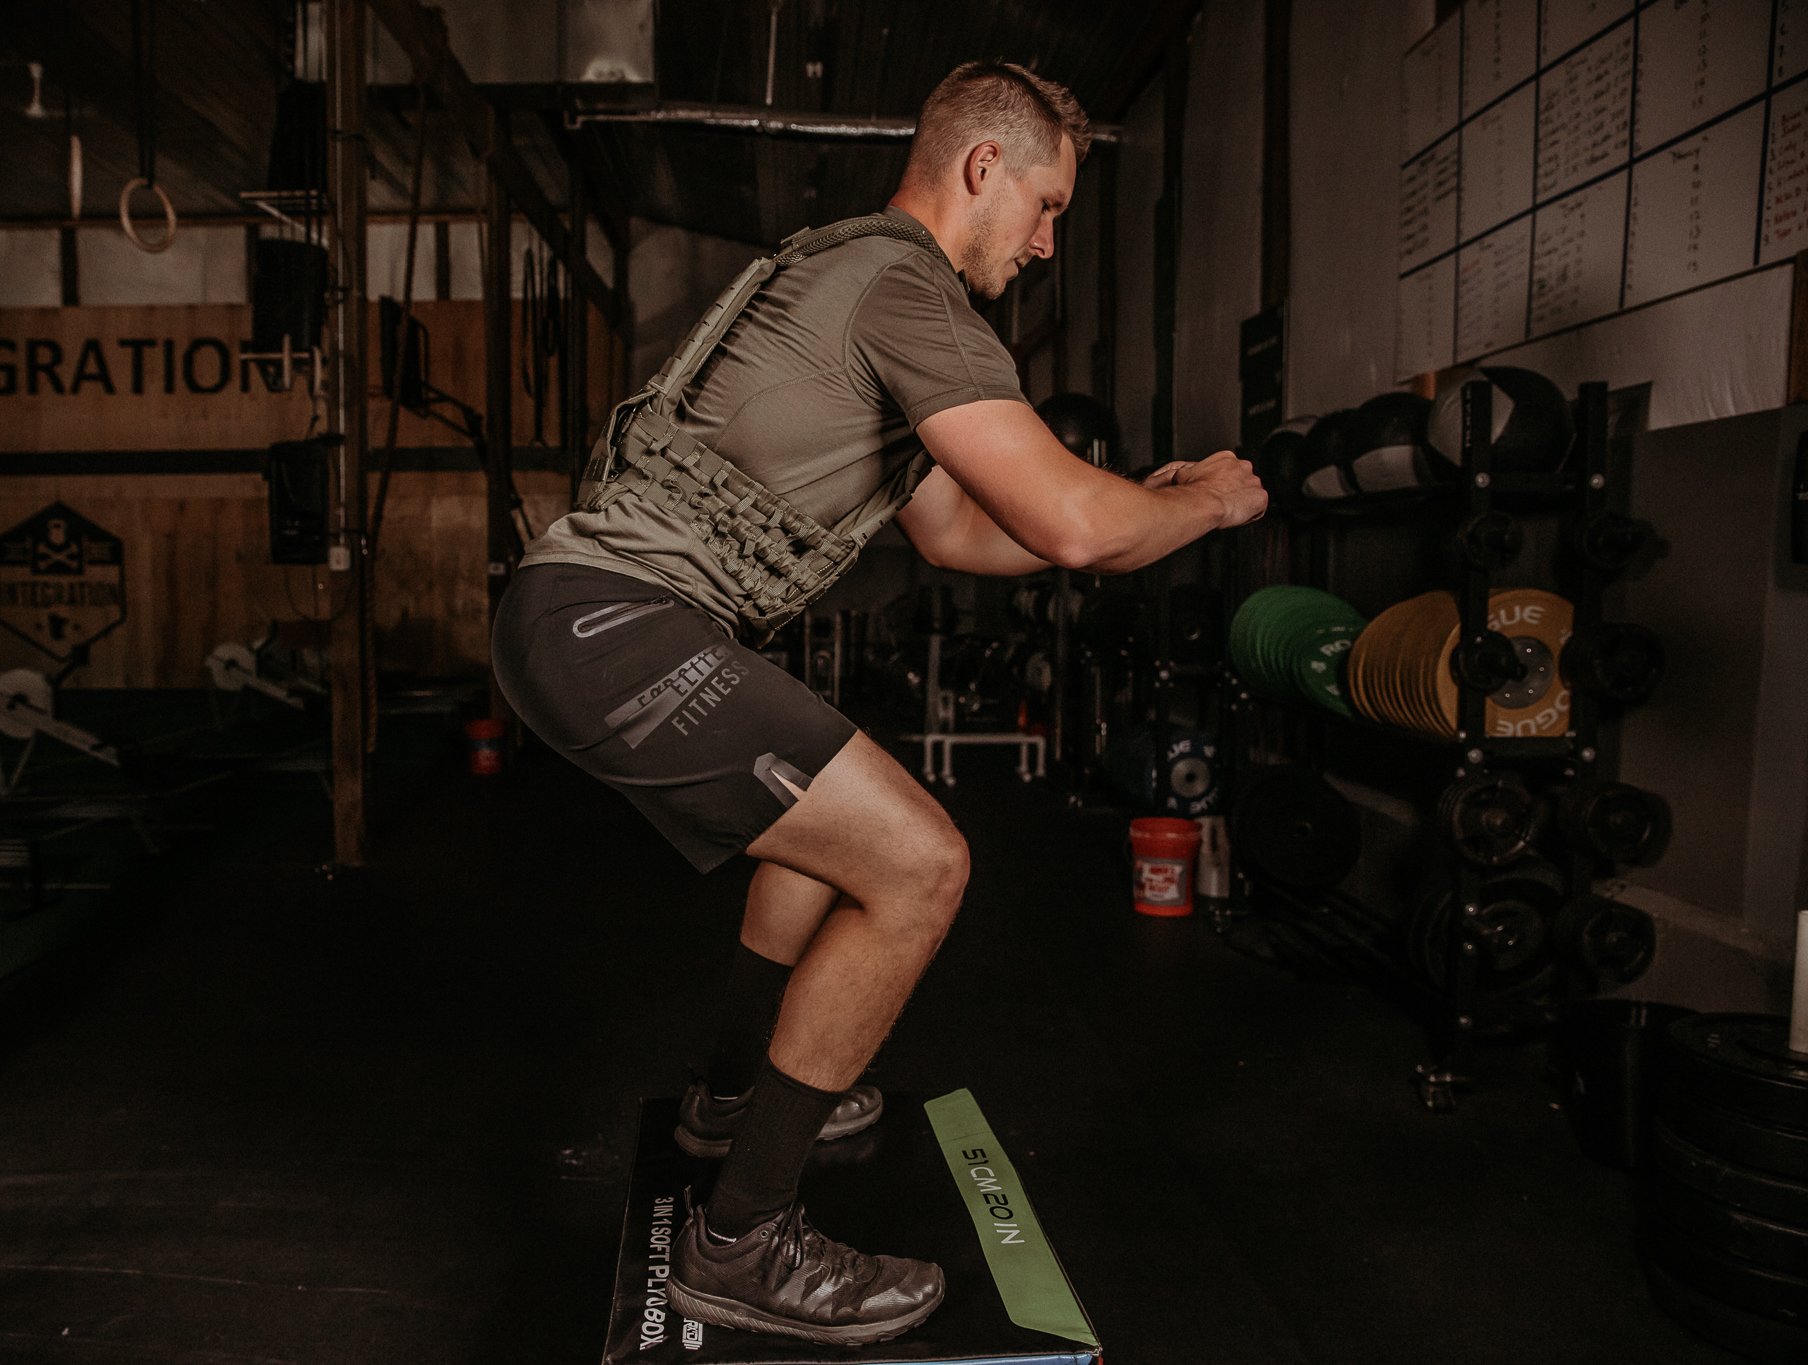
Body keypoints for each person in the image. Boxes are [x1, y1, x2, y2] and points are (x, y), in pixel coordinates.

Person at [491, 60, 1266, 1347]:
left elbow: (971, 530)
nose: (1046, 241)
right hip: (613, 625)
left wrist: (1148, 510)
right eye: (1046, 206)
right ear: (980, 168)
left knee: (823, 843)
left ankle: (725, 1104)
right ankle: (739, 1244)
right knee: (919, 868)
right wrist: (1208, 504)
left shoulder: (844, 283)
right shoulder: (910, 287)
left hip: (588, 620)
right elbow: (1070, 527)